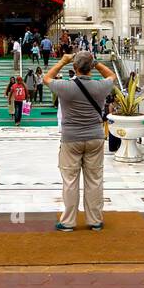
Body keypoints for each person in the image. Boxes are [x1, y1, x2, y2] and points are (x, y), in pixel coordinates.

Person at [44, 51, 119, 231]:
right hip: (94, 136)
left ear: (74, 67)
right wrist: (96, 63)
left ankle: (68, 221)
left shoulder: (65, 87)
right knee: (94, 179)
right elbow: (112, 75)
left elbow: (47, 78)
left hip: (71, 138)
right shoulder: (100, 86)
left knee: (70, 180)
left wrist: (63, 61)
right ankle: (94, 220)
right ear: (90, 68)